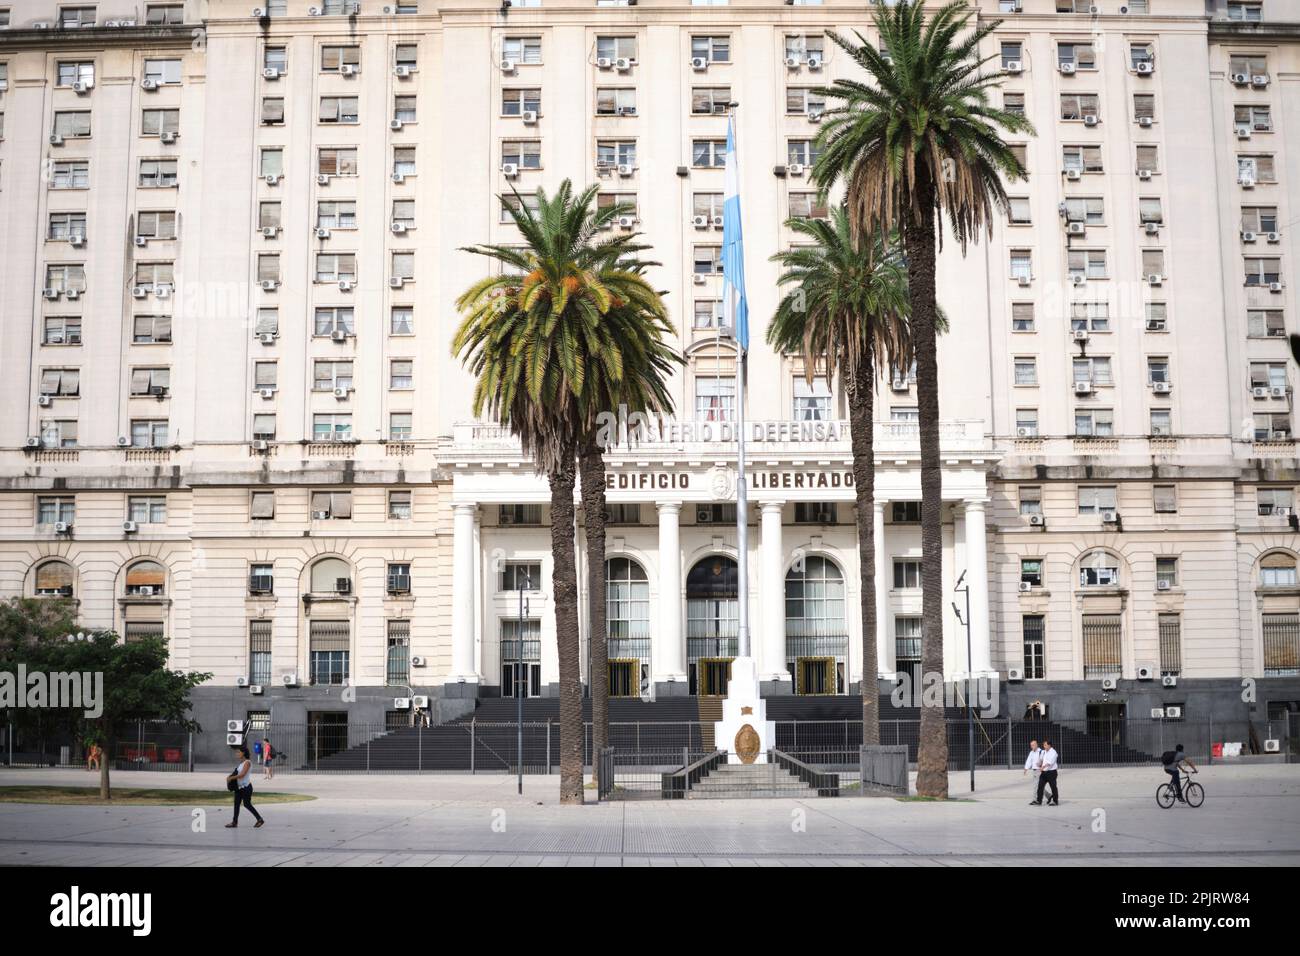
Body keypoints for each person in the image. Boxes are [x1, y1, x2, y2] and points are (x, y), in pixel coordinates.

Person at [225, 745, 265, 829]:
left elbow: (242, 774)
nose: (237, 753)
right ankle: (234, 822)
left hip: (246, 787)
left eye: (238, 752)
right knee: (236, 804)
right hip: (239, 788)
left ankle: (259, 819)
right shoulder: (241, 763)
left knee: (247, 804)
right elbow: (238, 773)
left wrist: (231, 778)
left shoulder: (247, 762)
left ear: (243, 753)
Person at [1033, 739, 1059, 806]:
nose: (1044, 746)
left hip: (1051, 772)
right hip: (1044, 773)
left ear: (1049, 745)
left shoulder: (1053, 752)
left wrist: (1042, 767)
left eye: (1045, 745)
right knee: (1040, 786)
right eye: (1043, 745)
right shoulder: (1044, 752)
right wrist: (1039, 763)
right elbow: (1041, 760)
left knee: (1053, 787)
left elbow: (1050, 763)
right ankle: (1039, 801)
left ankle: (1055, 801)